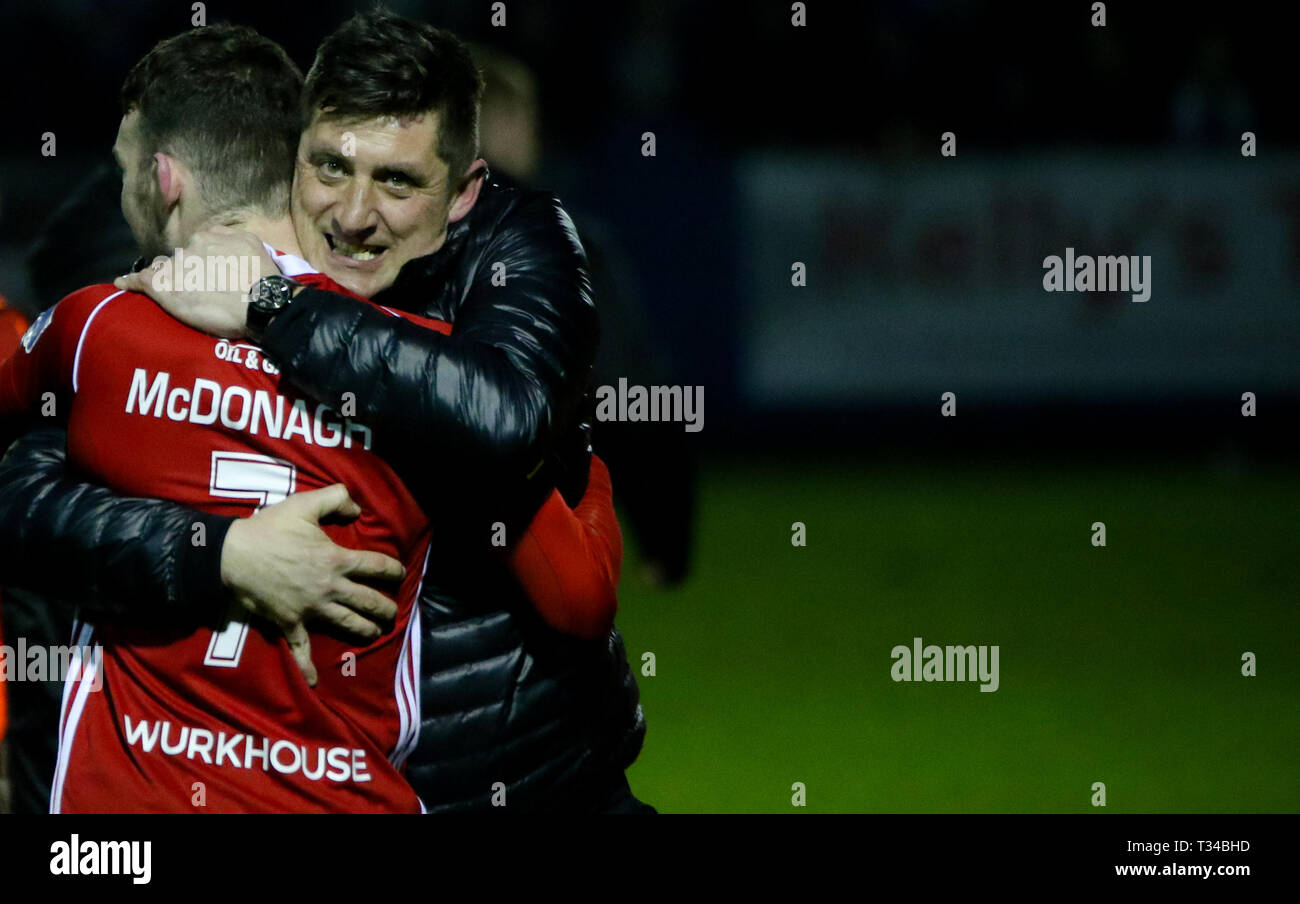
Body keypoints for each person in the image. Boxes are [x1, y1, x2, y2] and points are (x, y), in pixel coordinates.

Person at [0, 11, 650, 813]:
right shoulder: (170, 277)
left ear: (465, 193)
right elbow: (27, 494)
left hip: (532, 772)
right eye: (330, 168)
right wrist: (221, 551)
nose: (352, 214)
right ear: (291, 153)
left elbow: (506, 424)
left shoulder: (511, 246)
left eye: (399, 182)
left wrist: (277, 307)